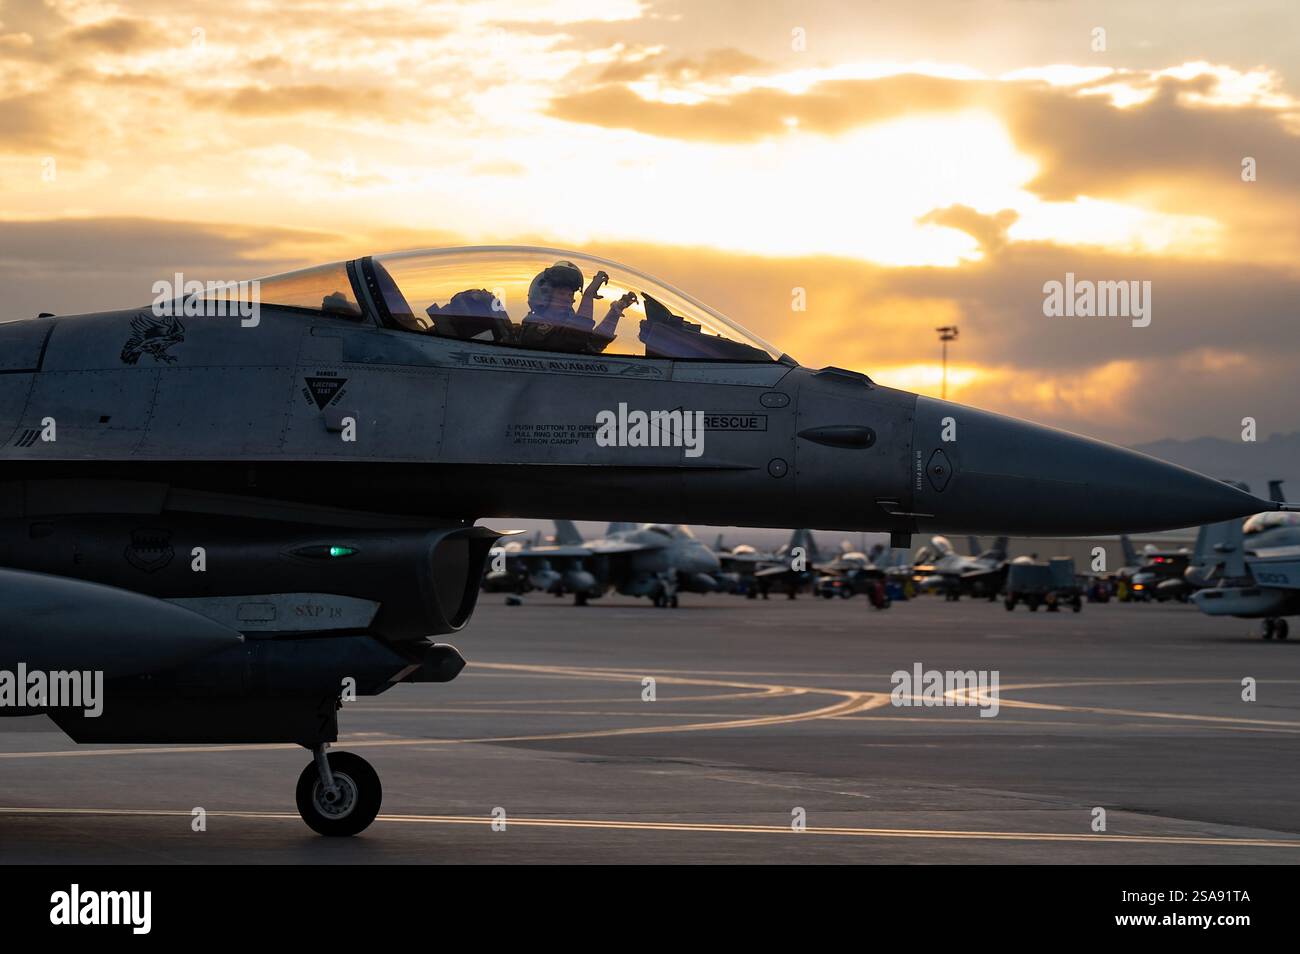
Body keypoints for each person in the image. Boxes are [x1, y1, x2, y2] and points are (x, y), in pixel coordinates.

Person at [517, 260, 637, 354]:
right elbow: (575, 339)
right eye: (561, 293)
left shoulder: (564, 327)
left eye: (570, 295)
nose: (567, 298)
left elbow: (593, 344)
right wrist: (588, 296)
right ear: (543, 295)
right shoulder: (533, 328)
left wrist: (615, 312)